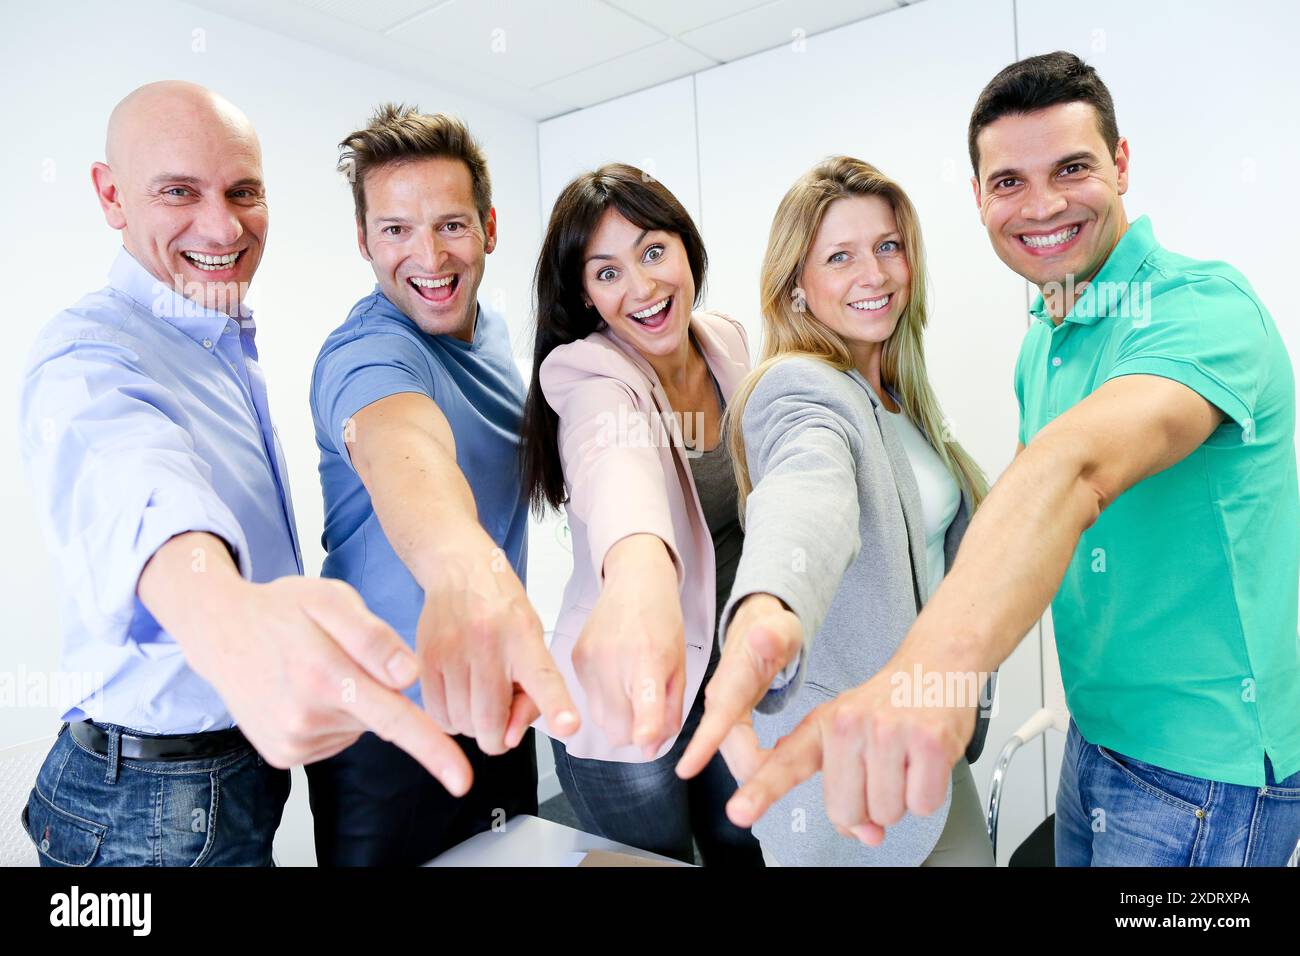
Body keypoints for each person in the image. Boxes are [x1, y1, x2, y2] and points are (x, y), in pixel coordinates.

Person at [697, 51, 1300, 867]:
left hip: (1203, 768)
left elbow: (1071, 474)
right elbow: (810, 487)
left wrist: (931, 677)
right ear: (979, 197)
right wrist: (769, 608)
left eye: (1073, 167)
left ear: (1121, 166)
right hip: (1095, 741)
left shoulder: (1199, 310)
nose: (1043, 203)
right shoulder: (1037, 344)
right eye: (1009, 181)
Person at [18, 82, 466, 867]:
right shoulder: (88, 353)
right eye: (179, 192)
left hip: (225, 775)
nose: (223, 226)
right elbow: (138, 485)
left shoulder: (219, 338)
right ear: (110, 195)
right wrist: (228, 618)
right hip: (146, 801)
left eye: (244, 191)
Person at [677, 156, 994, 866]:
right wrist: (769, 606)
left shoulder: (899, 396)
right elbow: (807, 495)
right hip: (846, 778)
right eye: (840, 256)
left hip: (929, 742)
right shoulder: (801, 391)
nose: (873, 274)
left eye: (887, 246)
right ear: (798, 287)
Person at [306, 104, 578, 866]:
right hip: (384, 731)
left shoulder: (486, 330)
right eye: (395, 230)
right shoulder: (367, 356)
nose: (429, 255)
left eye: (451, 225)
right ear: (364, 242)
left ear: (489, 228)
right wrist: (469, 576)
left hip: (493, 698)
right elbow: (405, 452)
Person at [519, 163, 763, 865]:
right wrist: (638, 579)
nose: (643, 288)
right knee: (649, 863)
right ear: (586, 295)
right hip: (625, 693)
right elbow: (614, 466)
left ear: (686, 248)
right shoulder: (591, 376)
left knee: (742, 848)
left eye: (653, 251)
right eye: (607, 272)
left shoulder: (727, 343)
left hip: (725, 675)